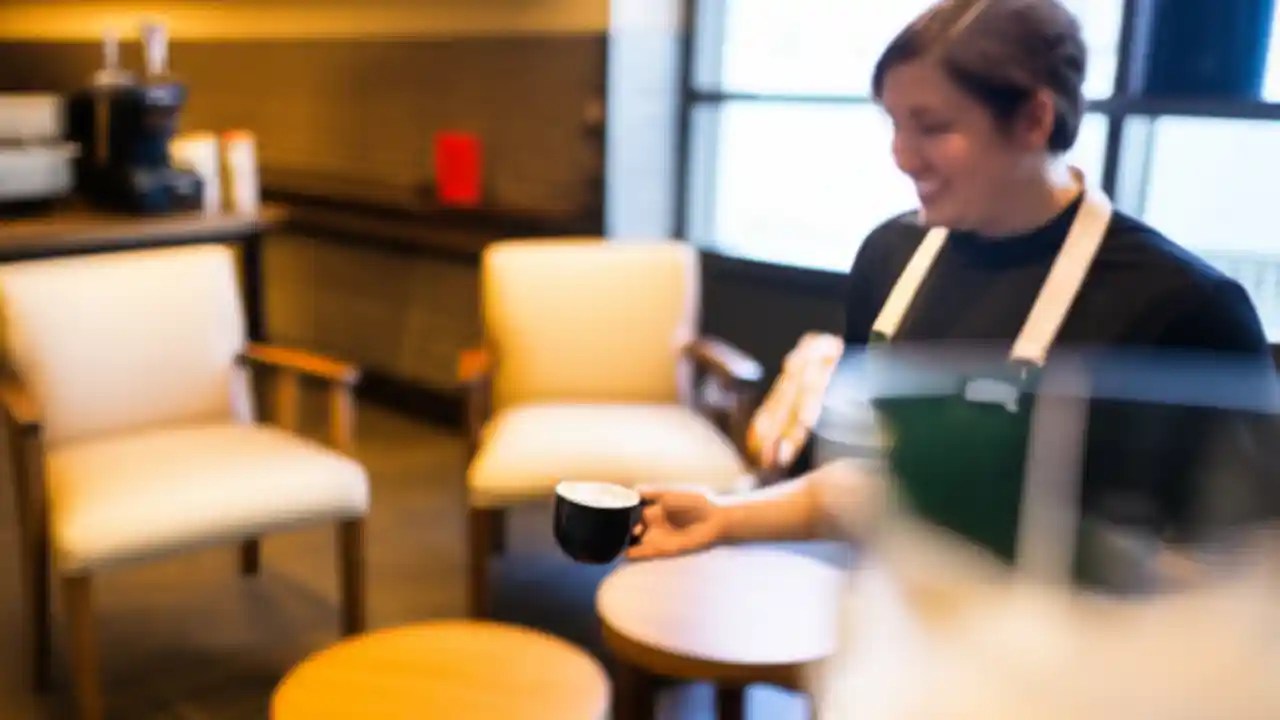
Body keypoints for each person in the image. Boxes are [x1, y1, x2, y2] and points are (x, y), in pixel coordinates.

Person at [628, 0, 1275, 581]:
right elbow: (877, 481)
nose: (902, 156)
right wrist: (725, 517)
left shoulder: (1185, 309)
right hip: (911, 644)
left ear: (1033, 119)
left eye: (932, 126)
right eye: (894, 124)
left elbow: (1249, 565)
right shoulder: (891, 257)